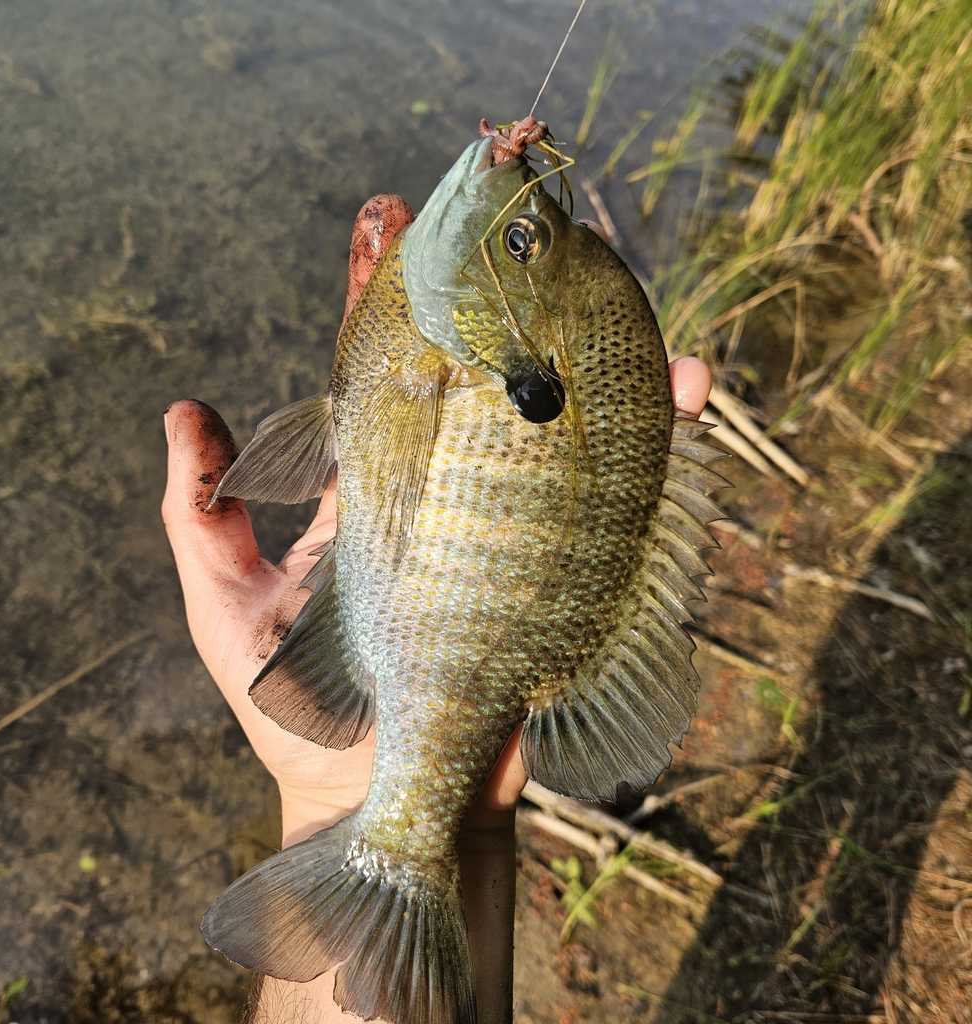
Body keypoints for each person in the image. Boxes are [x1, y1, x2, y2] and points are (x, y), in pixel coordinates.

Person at [162, 195, 712, 1024]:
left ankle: (392, 859)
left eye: (518, 240)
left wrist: (333, 806)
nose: (505, 210)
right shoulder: (444, 336)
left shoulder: (432, 337)